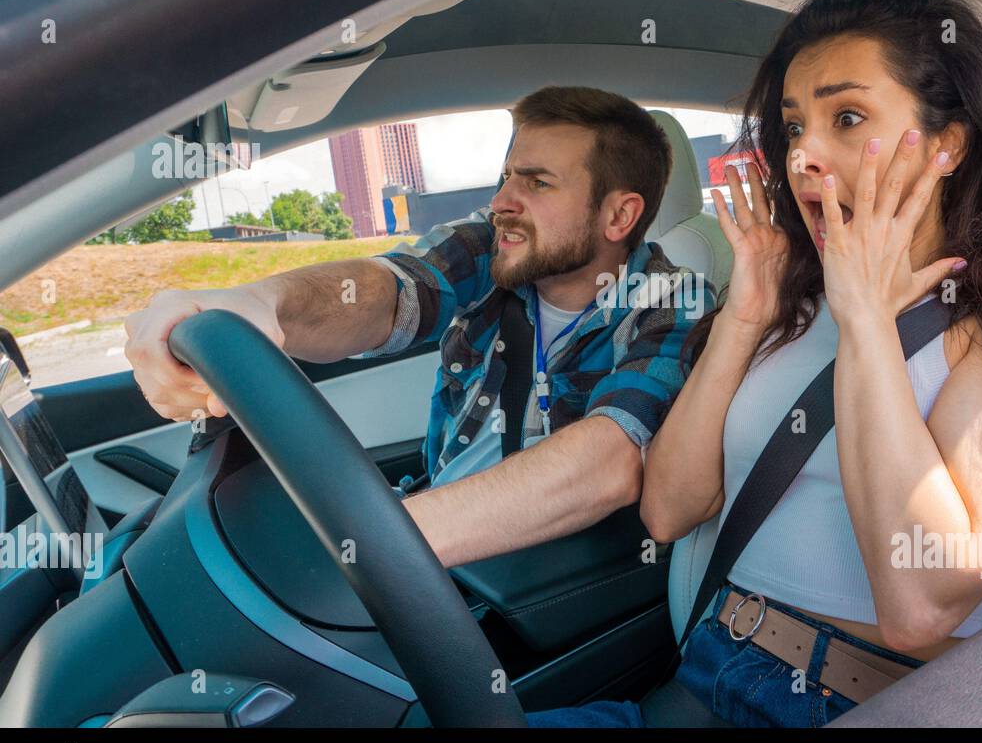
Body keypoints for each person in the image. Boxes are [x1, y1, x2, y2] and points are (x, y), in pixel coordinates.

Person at [528, 0, 982, 728]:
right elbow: (668, 511)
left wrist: (867, 324)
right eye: (794, 129)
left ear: (949, 143)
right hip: (695, 687)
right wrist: (745, 316)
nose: (803, 159)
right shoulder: (793, 308)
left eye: (847, 117)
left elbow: (921, 604)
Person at [124, 85, 715, 567]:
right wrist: (261, 304)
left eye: (537, 182)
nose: (503, 200)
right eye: (507, 175)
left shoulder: (674, 301)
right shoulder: (495, 249)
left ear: (619, 215)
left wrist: (369, 546)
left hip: (532, 587)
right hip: (428, 549)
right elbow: (390, 291)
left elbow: (610, 461)